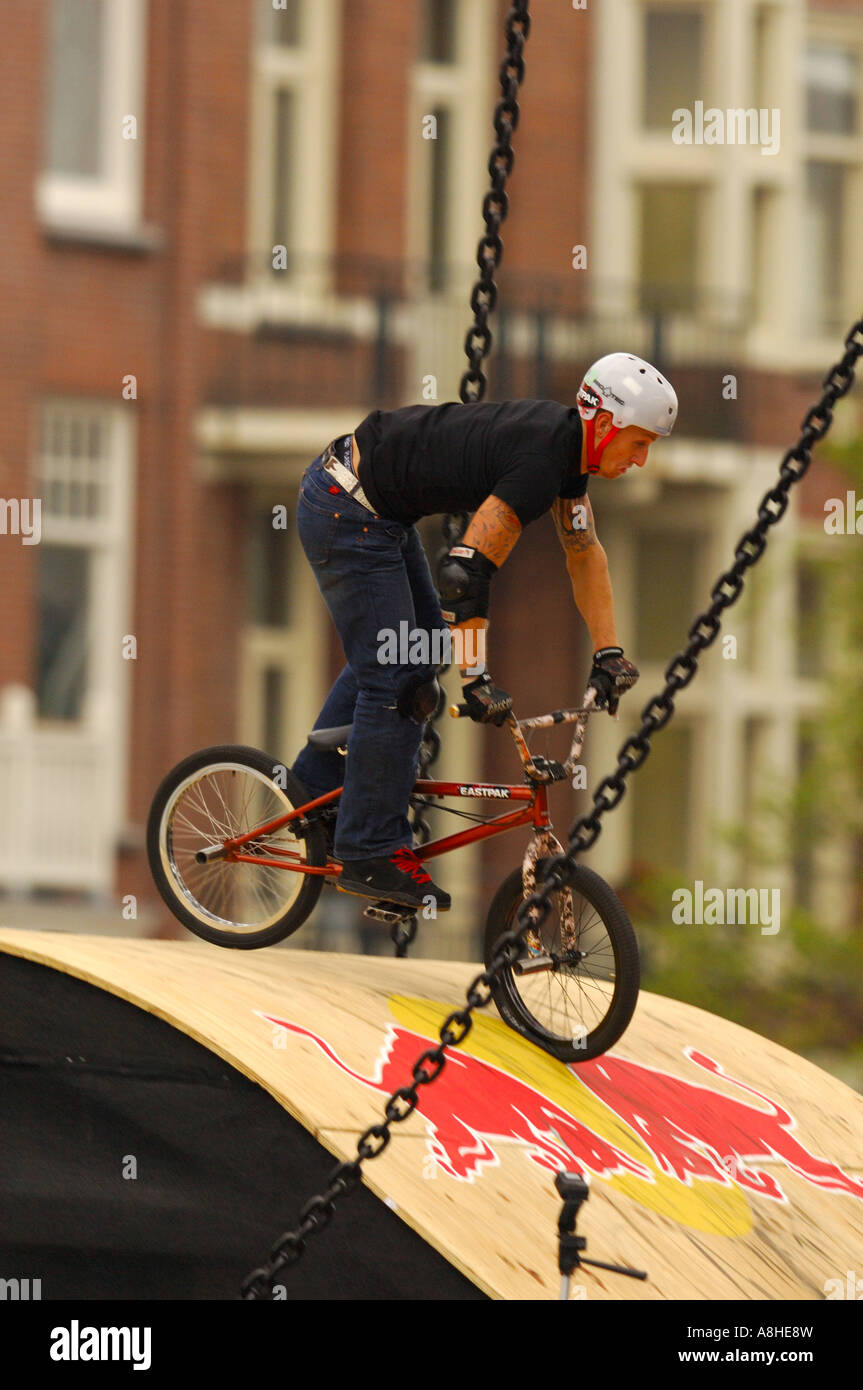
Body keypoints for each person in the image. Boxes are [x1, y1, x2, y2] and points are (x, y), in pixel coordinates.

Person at [291, 352, 678, 912]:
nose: (642, 460)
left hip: (374, 510)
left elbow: (585, 554)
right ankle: (369, 851)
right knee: (403, 680)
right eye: (639, 443)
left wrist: (609, 652)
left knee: (409, 655)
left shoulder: (568, 456)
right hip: (345, 508)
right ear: (603, 425)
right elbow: (464, 572)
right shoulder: (541, 461)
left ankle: (312, 788)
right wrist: (477, 678)